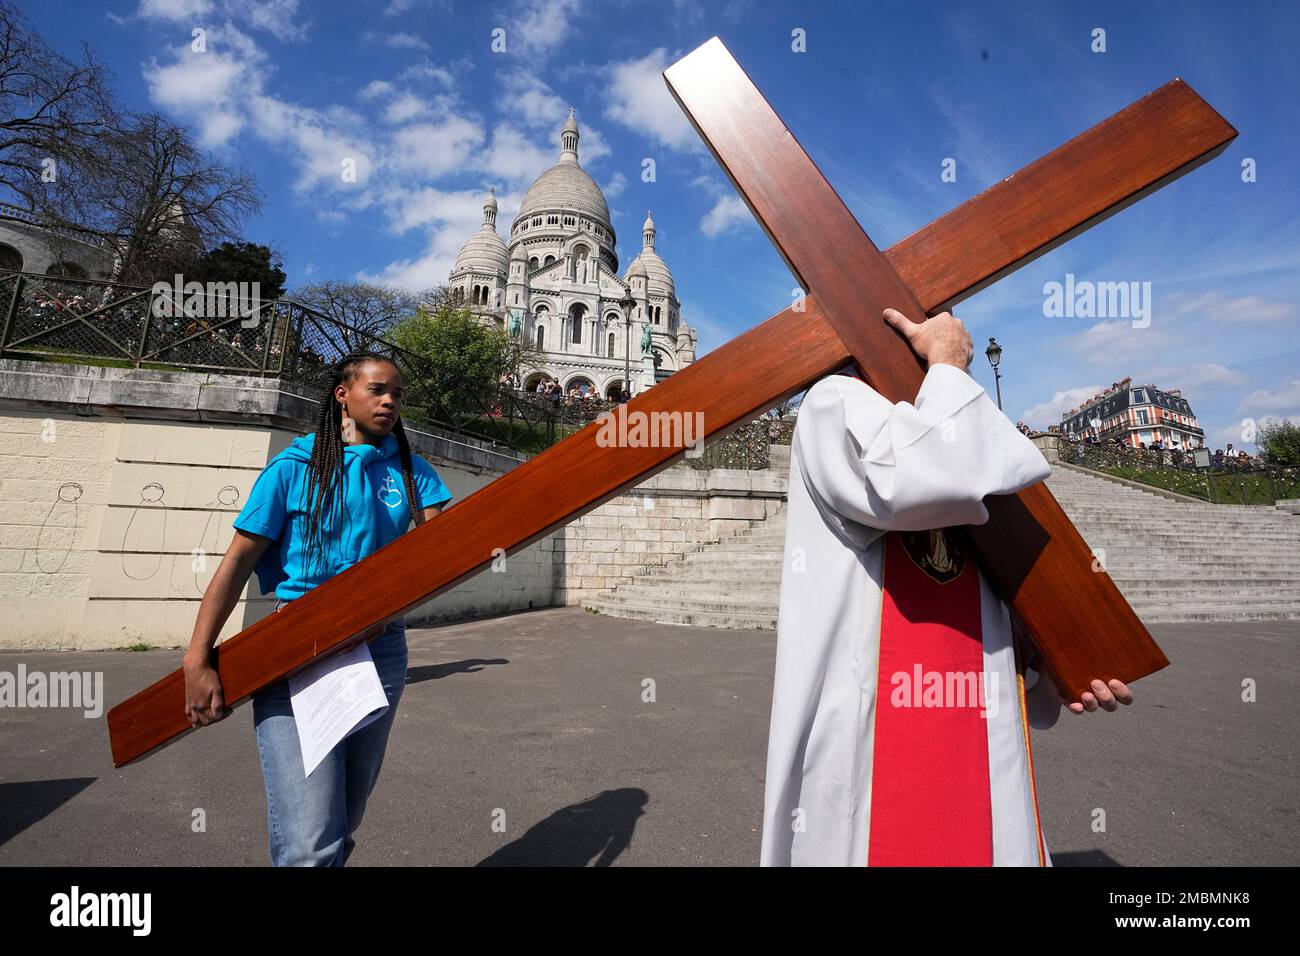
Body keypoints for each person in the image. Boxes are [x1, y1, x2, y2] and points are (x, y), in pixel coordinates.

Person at [762, 308, 1133, 867]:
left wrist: (1045, 667)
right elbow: (910, 480)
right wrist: (949, 363)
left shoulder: (953, 435)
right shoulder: (834, 402)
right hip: (874, 732)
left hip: (973, 735)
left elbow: (988, 590)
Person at [181, 351, 455, 866]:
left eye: (397, 393)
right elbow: (237, 563)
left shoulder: (412, 473)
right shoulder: (293, 468)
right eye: (377, 390)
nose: (390, 401)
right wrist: (197, 660)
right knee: (310, 840)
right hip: (294, 648)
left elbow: (446, 548)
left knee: (344, 818)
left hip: (381, 648)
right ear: (342, 395)